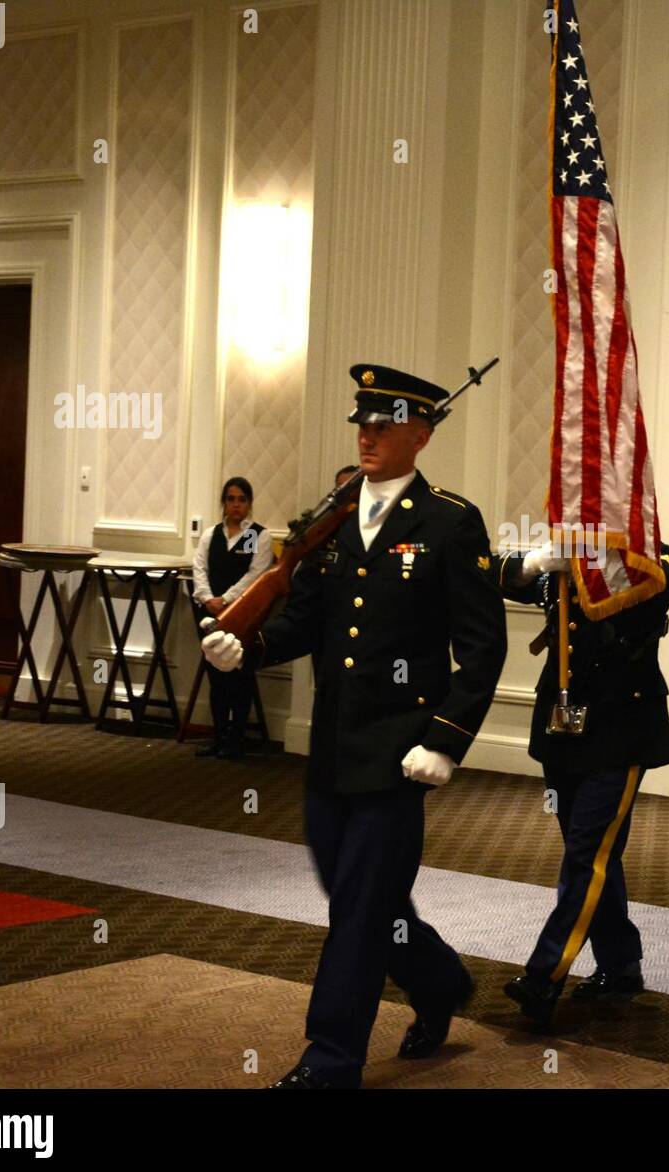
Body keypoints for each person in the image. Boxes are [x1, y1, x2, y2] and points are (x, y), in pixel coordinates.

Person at [203, 364, 507, 1087]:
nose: (368, 434)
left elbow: (483, 644)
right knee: (358, 897)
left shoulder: (449, 521)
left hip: (401, 753)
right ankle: (437, 982)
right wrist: (250, 646)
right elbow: (306, 616)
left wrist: (446, 739)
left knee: (360, 912)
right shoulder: (332, 522)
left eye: (385, 423)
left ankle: (330, 1058)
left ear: (421, 433)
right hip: (334, 746)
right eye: (362, 423)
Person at [495, 539, 669, 1027]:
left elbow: (640, 591)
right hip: (563, 723)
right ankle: (620, 964)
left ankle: (545, 974)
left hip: (620, 729)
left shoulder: (655, 559)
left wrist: (579, 562)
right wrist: (535, 561)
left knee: (586, 854)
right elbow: (495, 575)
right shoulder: (567, 553)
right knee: (598, 855)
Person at [190, 477, 273, 758]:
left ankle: (235, 738)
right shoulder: (211, 534)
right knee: (216, 676)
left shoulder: (255, 535)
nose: (235, 505)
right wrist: (207, 598)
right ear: (223, 502)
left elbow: (255, 574)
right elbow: (199, 567)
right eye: (230, 499)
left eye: (241, 500)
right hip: (209, 613)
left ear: (249, 504)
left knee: (239, 674)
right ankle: (219, 735)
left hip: (241, 614)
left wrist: (226, 600)